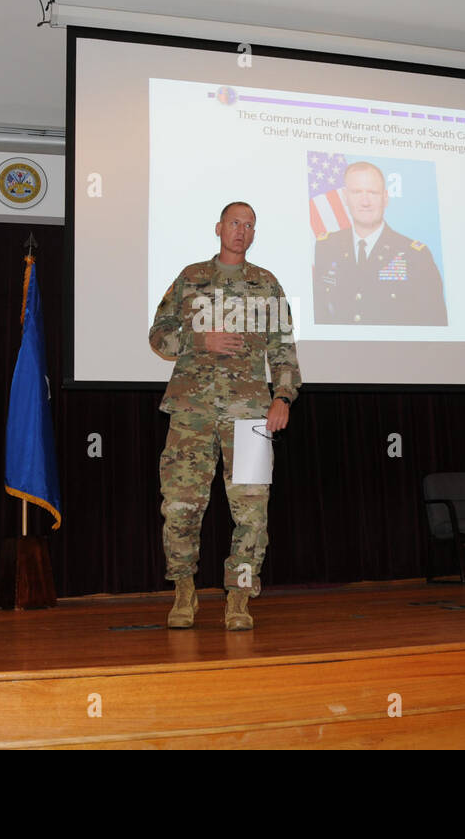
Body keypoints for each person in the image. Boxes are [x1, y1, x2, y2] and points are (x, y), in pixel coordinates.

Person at [149, 202, 302, 631]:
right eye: (235, 223)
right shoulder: (190, 278)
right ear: (219, 228)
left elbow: (284, 348)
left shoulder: (266, 284)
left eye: (250, 225)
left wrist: (283, 397)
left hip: (251, 413)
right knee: (180, 507)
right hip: (190, 414)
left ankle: (238, 597)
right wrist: (201, 339)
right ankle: (184, 591)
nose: (242, 231)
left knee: (252, 512)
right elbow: (158, 335)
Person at [313, 162, 447, 326]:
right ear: (345, 198)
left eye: (372, 193)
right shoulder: (326, 247)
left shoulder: (415, 255)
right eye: (357, 192)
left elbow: (434, 324)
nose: (365, 202)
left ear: (385, 198)